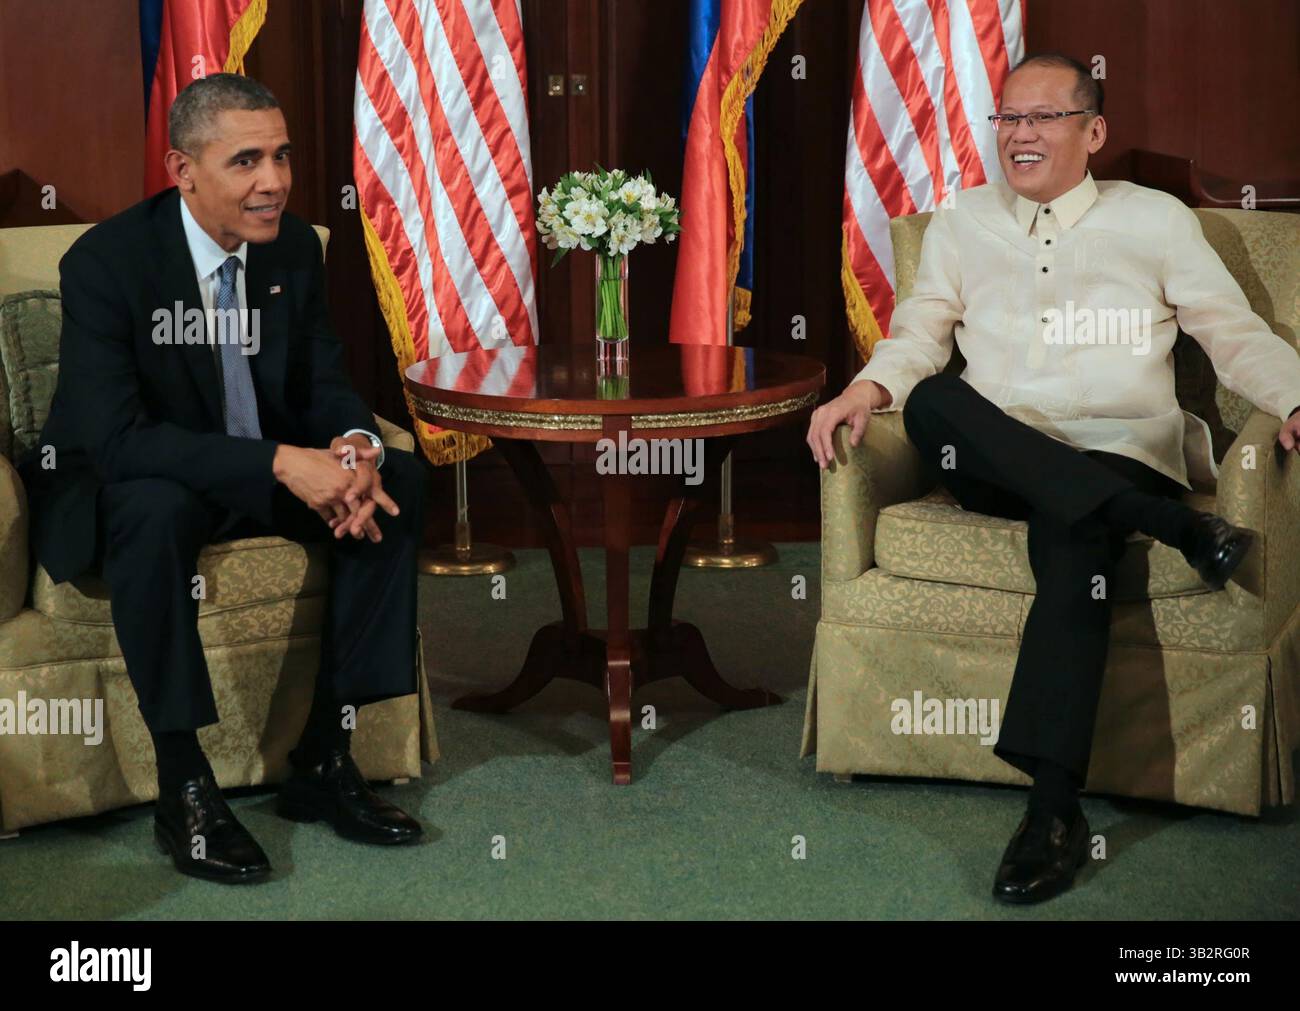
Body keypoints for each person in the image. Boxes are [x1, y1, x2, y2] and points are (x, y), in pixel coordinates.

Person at [806, 52, 1300, 904]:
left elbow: (1234, 333)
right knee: (930, 402)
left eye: (1044, 118)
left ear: (1093, 131)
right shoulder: (963, 220)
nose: (1021, 135)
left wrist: (1295, 397)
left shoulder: (1156, 221)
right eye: (1008, 119)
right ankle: (1173, 522)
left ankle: (1053, 809)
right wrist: (864, 389)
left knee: (1076, 538)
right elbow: (918, 333)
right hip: (991, 454)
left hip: (1117, 447)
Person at [21, 74, 428, 884]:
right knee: (154, 509)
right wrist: (281, 461)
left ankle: (325, 754)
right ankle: (187, 785)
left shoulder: (294, 247)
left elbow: (322, 378)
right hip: (133, 479)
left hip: (245, 472)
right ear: (183, 168)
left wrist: (352, 446)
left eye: (280, 156)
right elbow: (118, 439)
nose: (272, 181)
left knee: (399, 484)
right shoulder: (107, 262)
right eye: (245, 161)